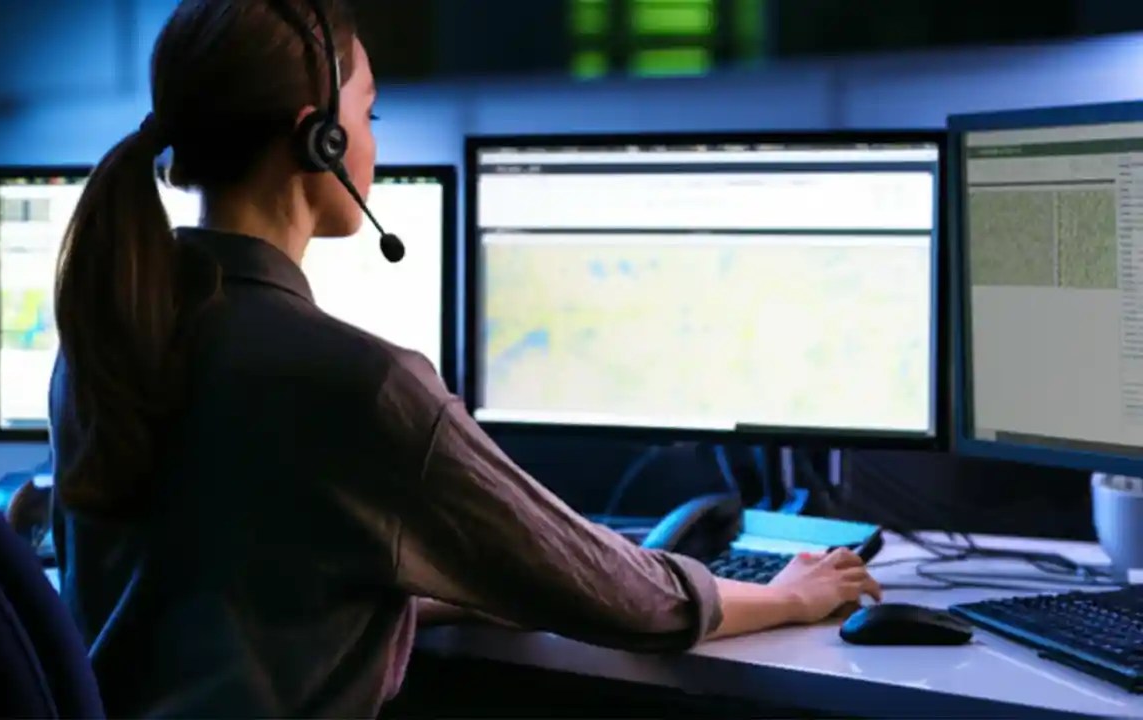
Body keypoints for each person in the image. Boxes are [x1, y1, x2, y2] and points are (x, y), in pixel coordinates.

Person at [45, 0, 882, 716]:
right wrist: (787, 596)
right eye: (368, 115)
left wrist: (472, 583)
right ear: (319, 141)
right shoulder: (360, 386)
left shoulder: (109, 342)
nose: (373, 140)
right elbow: (620, 596)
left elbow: (247, 593)